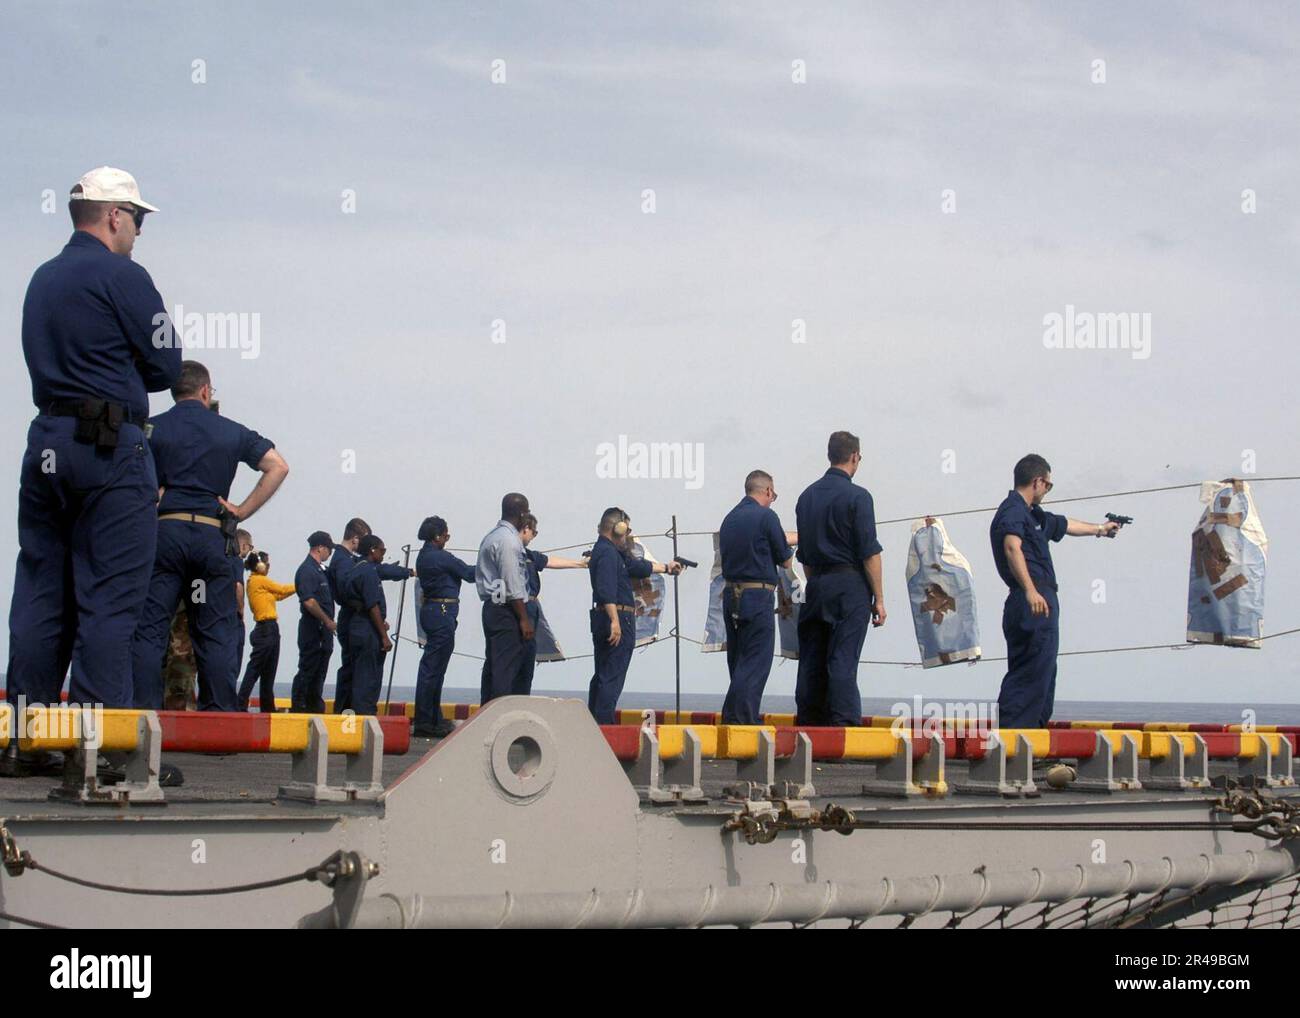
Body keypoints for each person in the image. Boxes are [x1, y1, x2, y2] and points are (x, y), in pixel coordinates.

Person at [6, 167, 180, 739]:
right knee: (111, 596)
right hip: (110, 448)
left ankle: (25, 735)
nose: (140, 230)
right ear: (113, 216)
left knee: (41, 588)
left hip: (47, 443)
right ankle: (96, 744)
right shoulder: (124, 276)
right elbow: (166, 367)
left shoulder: (42, 278)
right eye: (137, 218)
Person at [130, 361, 289, 711]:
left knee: (150, 629)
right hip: (212, 533)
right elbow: (278, 465)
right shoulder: (231, 430)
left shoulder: (150, 428)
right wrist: (242, 510)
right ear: (206, 391)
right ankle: (220, 721)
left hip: (165, 532)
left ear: (175, 391)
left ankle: (140, 719)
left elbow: (127, 472)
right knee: (216, 632)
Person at [991, 454, 1122, 728]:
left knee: (1044, 670)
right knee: (1030, 670)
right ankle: (1014, 741)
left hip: (1040, 598)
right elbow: (1011, 547)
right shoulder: (1012, 511)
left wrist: (1100, 529)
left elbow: (1064, 524)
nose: (1048, 490)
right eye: (1048, 485)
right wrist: (1029, 591)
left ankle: (1032, 739)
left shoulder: (1033, 515)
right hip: (1031, 597)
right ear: (1037, 481)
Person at [794, 431, 885, 726]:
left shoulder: (806, 497)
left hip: (816, 583)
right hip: (849, 585)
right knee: (843, 658)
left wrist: (817, 581)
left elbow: (805, 555)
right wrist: (879, 599)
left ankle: (810, 722)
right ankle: (843, 723)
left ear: (829, 455)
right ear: (855, 456)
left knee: (812, 660)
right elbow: (870, 553)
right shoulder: (859, 497)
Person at [587, 507, 682, 723]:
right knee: (611, 677)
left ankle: (595, 725)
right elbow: (606, 590)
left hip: (609, 617)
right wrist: (615, 621)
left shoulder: (611, 553)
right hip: (617, 616)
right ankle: (604, 728)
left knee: (604, 675)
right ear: (618, 529)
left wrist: (666, 567)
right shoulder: (608, 554)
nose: (629, 534)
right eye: (627, 530)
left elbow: (636, 566)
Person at [718, 471, 798, 724]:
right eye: (773, 494)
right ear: (767, 491)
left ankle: (741, 715)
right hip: (757, 594)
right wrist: (794, 541)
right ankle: (740, 719)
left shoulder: (729, 519)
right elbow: (785, 560)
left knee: (739, 659)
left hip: (731, 593)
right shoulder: (767, 516)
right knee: (756, 661)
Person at [329, 518, 411, 712]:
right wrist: (382, 631)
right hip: (362, 624)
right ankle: (361, 716)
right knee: (364, 675)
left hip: (359, 623)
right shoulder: (351, 564)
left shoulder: (357, 566)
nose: (383, 554)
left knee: (355, 672)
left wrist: (406, 572)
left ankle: (348, 716)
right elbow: (366, 602)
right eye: (381, 550)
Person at [413, 517, 475, 737]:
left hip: (432, 611)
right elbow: (469, 573)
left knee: (433, 667)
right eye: (446, 536)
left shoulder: (423, 557)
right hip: (442, 613)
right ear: (438, 536)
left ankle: (430, 716)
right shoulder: (440, 558)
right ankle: (426, 720)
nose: (447, 540)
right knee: (433, 668)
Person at [515, 512, 588, 695]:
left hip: (530, 609)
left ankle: (521, 697)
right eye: (534, 532)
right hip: (517, 607)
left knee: (527, 659)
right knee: (515, 659)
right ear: (526, 529)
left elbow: (550, 561)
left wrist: (580, 564)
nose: (534, 536)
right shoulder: (509, 553)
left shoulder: (530, 555)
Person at [476, 494, 534, 704]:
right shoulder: (509, 541)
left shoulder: (491, 536)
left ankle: (487, 713)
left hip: (493, 606)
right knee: (506, 670)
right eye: (526, 511)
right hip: (507, 609)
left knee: (493, 666)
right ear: (521, 513)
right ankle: (500, 716)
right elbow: (512, 582)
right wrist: (523, 618)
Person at [338, 534, 394, 717]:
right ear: (372, 550)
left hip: (355, 626)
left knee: (355, 676)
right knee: (368, 678)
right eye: (382, 550)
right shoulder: (369, 572)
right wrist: (383, 636)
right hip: (367, 629)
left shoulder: (354, 569)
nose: (383, 554)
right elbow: (372, 605)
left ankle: (348, 721)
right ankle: (365, 718)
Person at [236, 551, 296, 712]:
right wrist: (300, 584)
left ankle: (267, 707)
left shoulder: (257, 583)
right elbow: (282, 589)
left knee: (268, 671)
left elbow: (278, 595)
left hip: (270, 629)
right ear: (261, 565)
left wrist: (294, 589)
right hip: (265, 629)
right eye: (267, 564)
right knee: (255, 668)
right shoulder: (258, 581)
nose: (269, 567)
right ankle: (241, 702)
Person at [290, 531, 337, 713]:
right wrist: (327, 621)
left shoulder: (320, 570)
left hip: (323, 631)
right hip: (313, 629)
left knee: (320, 670)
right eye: (329, 549)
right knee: (308, 668)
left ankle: (313, 704)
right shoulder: (307, 571)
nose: (330, 554)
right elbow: (309, 601)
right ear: (320, 548)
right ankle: (300, 706)